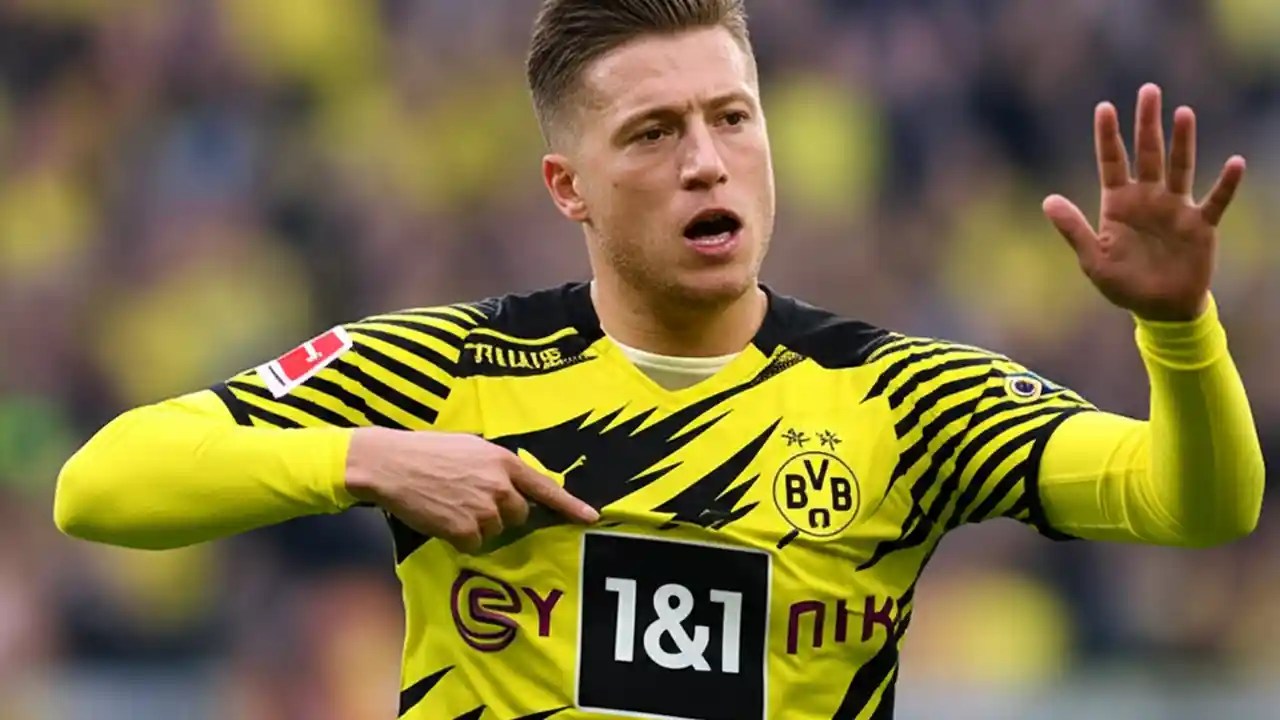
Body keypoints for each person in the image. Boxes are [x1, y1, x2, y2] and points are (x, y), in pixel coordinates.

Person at [53, 1, 1264, 718]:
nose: (705, 160)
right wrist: (369, 460)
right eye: (652, 132)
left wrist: (1177, 332)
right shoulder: (449, 368)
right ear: (566, 185)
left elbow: (1195, 505)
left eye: (731, 117)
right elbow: (99, 485)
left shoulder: (907, 397)